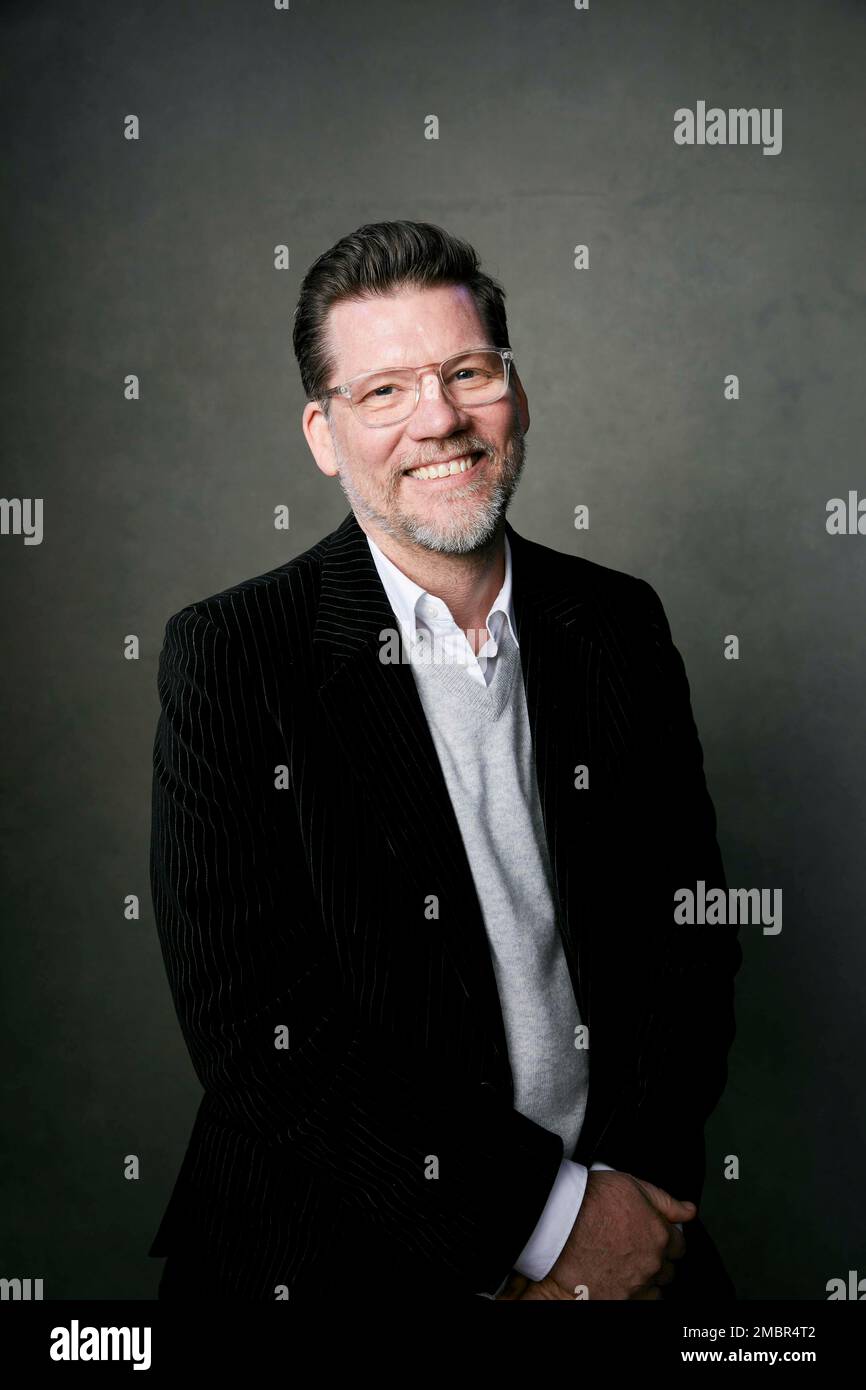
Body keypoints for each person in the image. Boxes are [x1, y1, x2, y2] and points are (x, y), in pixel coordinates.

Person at [149, 220, 742, 1301]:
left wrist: (615, 1211)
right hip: (336, 1256)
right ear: (323, 435)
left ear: (513, 391)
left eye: (466, 372)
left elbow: (686, 940)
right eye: (382, 392)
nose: (439, 419)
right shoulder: (232, 656)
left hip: (625, 1236)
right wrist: (544, 1227)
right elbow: (254, 1025)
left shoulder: (614, 623)